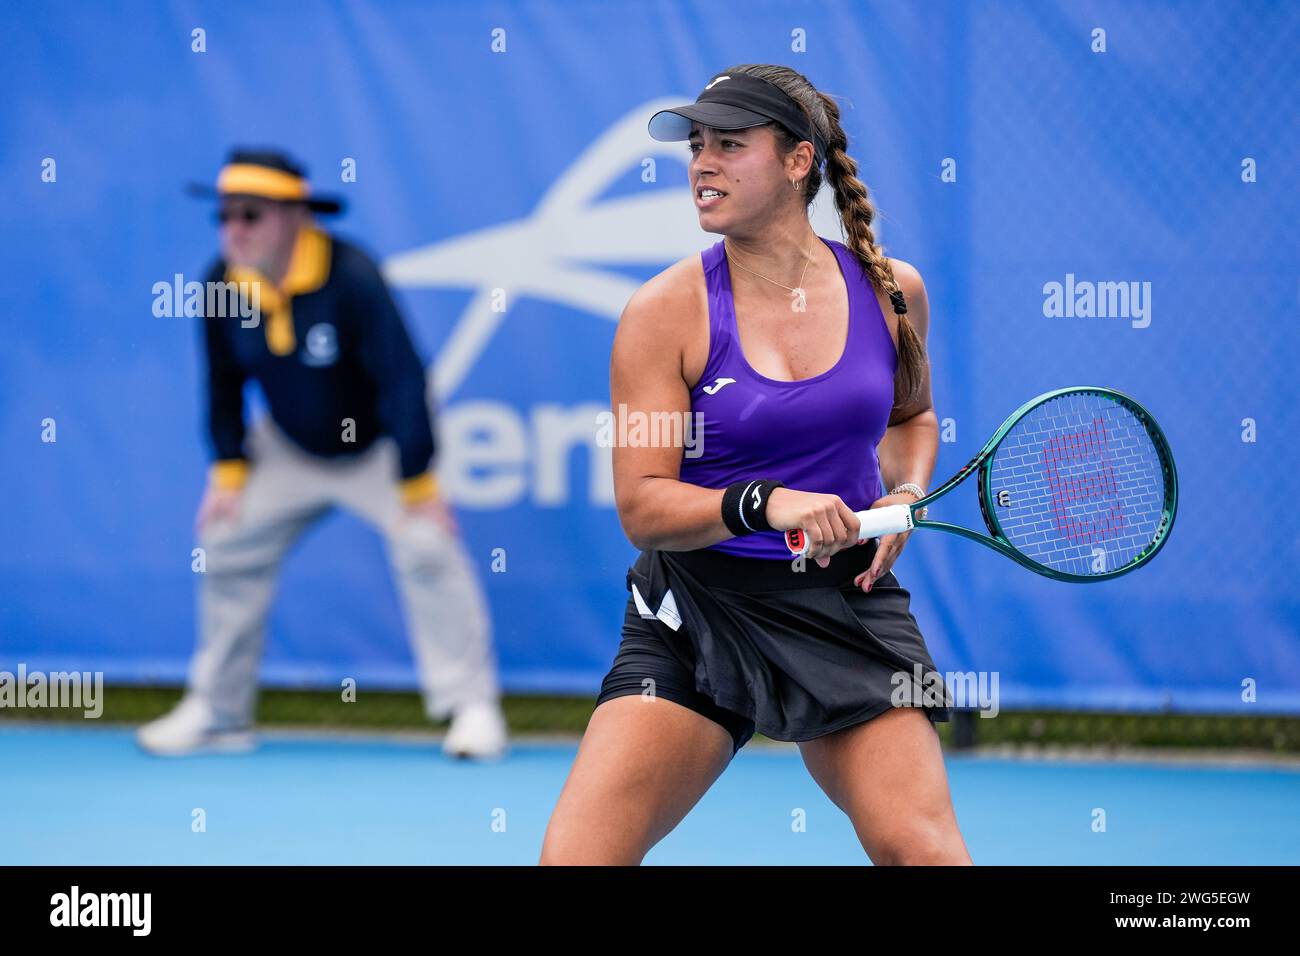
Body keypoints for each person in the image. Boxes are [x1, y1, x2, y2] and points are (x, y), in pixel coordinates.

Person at [541, 66, 971, 863]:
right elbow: (642, 506)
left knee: (927, 853)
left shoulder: (891, 291)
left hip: (844, 606)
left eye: (730, 145)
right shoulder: (660, 312)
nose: (702, 163)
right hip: (698, 610)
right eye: (698, 145)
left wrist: (906, 490)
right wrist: (764, 503)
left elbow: (910, 418)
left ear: (798, 161)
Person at [137, 149, 507, 759]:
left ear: (295, 217)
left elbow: (404, 381)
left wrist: (417, 484)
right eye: (225, 215)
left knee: (427, 546)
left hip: (377, 450)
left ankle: (471, 708)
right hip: (285, 448)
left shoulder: (353, 277)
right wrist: (228, 471)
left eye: (250, 214)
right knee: (225, 539)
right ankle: (221, 714)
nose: (234, 229)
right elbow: (222, 384)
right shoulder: (222, 282)